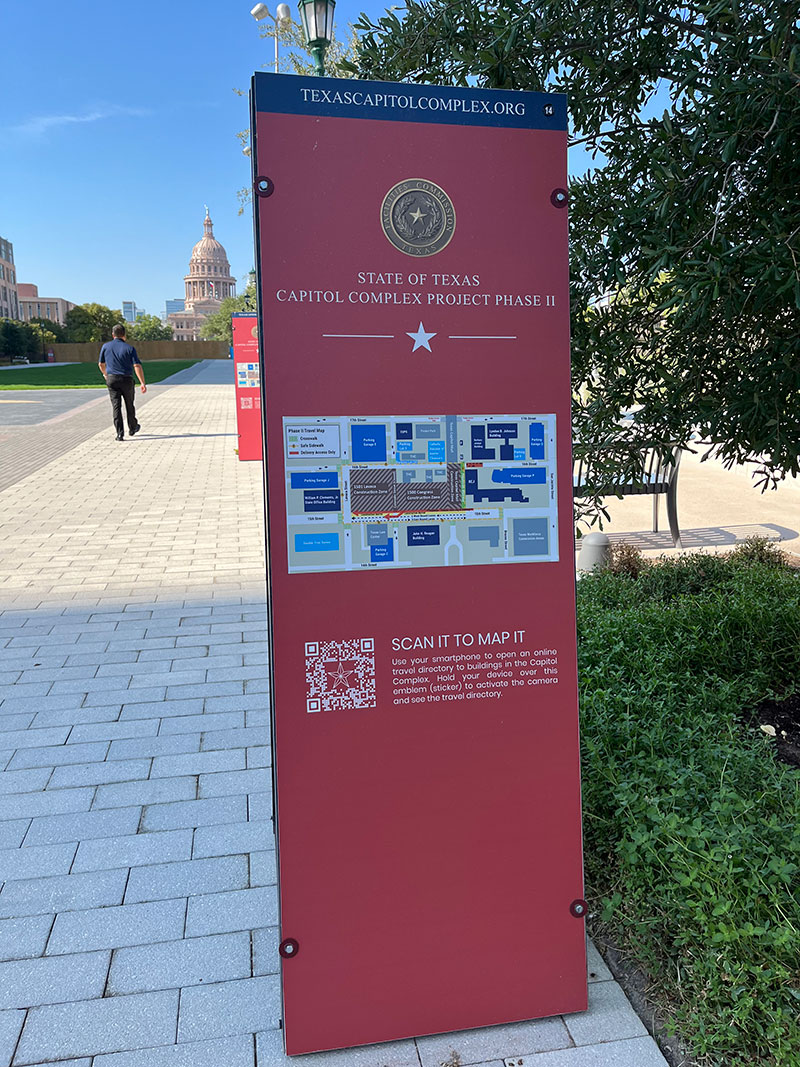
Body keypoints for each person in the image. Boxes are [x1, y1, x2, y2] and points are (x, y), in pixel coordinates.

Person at [98, 324, 147, 440]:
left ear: (113, 335)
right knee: (129, 404)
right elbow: (137, 365)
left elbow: (101, 364)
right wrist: (142, 382)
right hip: (126, 379)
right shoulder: (129, 348)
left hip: (112, 379)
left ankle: (119, 433)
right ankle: (132, 427)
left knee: (116, 406)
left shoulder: (105, 346)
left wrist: (105, 374)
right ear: (124, 335)